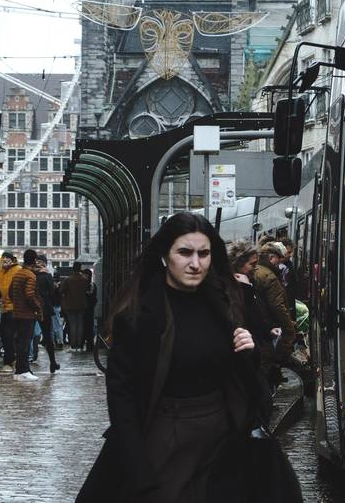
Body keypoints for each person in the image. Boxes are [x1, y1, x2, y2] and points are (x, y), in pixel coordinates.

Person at [77, 212, 282, 503]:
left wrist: (250, 351)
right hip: (163, 441)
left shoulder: (226, 302)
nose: (195, 263)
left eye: (204, 253)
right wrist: (137, 467)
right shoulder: (137, 315)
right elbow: (121, 396)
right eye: (185, 252)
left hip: (223, 443)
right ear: (165, 255)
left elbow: (247, 380)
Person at [227, 241, 281, 400]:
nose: (255, 267)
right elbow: (249, 316)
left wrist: (268, 329)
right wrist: (247, 290)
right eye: (252, 264)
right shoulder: (236, 286)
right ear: (239, 264)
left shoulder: (248, 281)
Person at [255, 242, 297, 383]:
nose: (279, 264)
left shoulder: (256, 270)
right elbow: (277, 306)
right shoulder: (269, 277)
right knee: (268, 360)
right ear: (272, 257)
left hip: (260, 325)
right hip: (270, 326)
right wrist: (289, 327)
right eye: (278, 260)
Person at [9, 249, 43, 381]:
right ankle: (23, 370)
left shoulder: (18, 274)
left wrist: (17, 303)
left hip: (17, 312)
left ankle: (19, 370)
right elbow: (29, 294)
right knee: (25, 342)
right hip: (27, 314)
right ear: (34, 260)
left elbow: (11, 292)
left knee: (20, 342)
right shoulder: (30, 275)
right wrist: (37, 306)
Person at [28, 254, 59, 373]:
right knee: (47, 336)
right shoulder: (46, 275)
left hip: (30, 307)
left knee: (28, 335)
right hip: (44, 308)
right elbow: (52, 293)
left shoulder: (30, 273)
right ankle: (52, 362)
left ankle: (27, 361)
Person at [0, 252, 21, 370]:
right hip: (1, 307)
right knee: (5, 336)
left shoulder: (17, 270)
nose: (5, 261)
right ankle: (9, 359)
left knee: (10, 335)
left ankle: (10, 360)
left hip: (12, 308)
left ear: (12, 260)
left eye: (7, 259)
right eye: (3, 259)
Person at [60, 267, 89, 350]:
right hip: (82, 305)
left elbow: (61, 291)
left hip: (70, 305)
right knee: (80, 324)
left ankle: (73, 343)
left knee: (72, 324)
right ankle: (79, 343)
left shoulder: (68, 280)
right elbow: (87, 290)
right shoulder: (84, 280)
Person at [83, 268, 97, 351]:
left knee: (88, 326)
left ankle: (89, 344)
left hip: (87, 308)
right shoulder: (92, 284)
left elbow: (90, 295)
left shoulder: (90, 285)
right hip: (89, 308)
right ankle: (89, 344)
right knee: (89, 326)